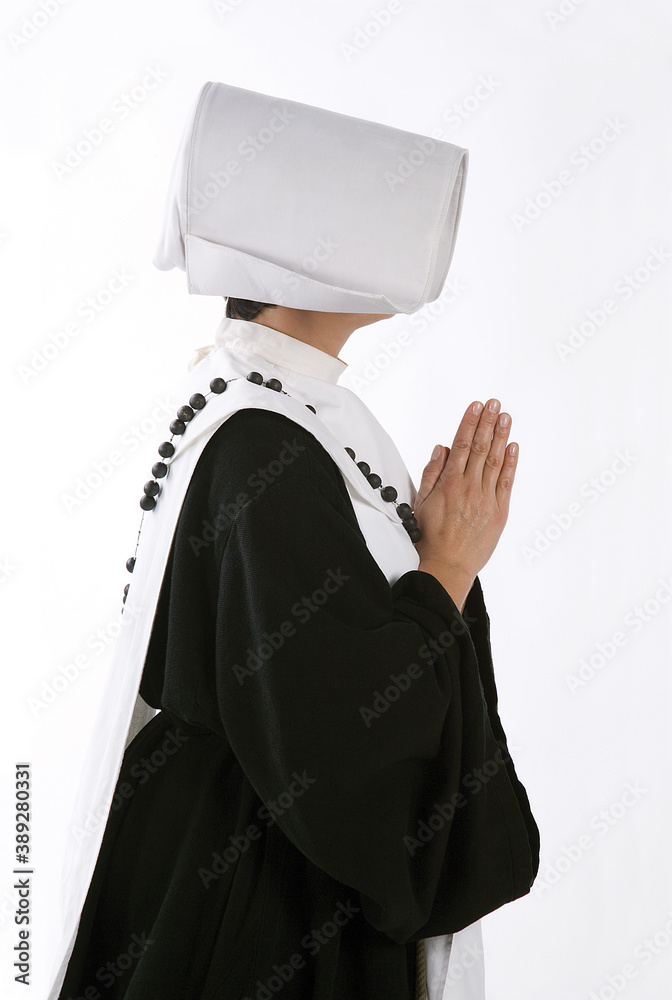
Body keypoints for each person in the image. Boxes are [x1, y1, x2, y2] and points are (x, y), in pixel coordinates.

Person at [47, 82, 540, 1000]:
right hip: (259, 904)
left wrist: (441, 568)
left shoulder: (294, 418)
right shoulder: (262, 443)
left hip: (259, 868)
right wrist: (447, 568)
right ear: (304, 259)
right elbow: (336, 737)